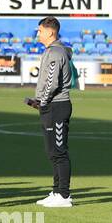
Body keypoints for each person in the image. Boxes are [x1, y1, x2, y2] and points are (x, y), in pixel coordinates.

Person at [26, 16, 74, 207]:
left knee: (59, 151)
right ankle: (56, 191)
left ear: (50, 32)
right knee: (52, 151)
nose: (37, 33)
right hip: (51, 106)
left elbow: (52, 82)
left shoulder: (55, 52)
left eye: (40, 30)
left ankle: (64, 195)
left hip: (57, 107)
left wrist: (43, 102)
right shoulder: (51, 51)